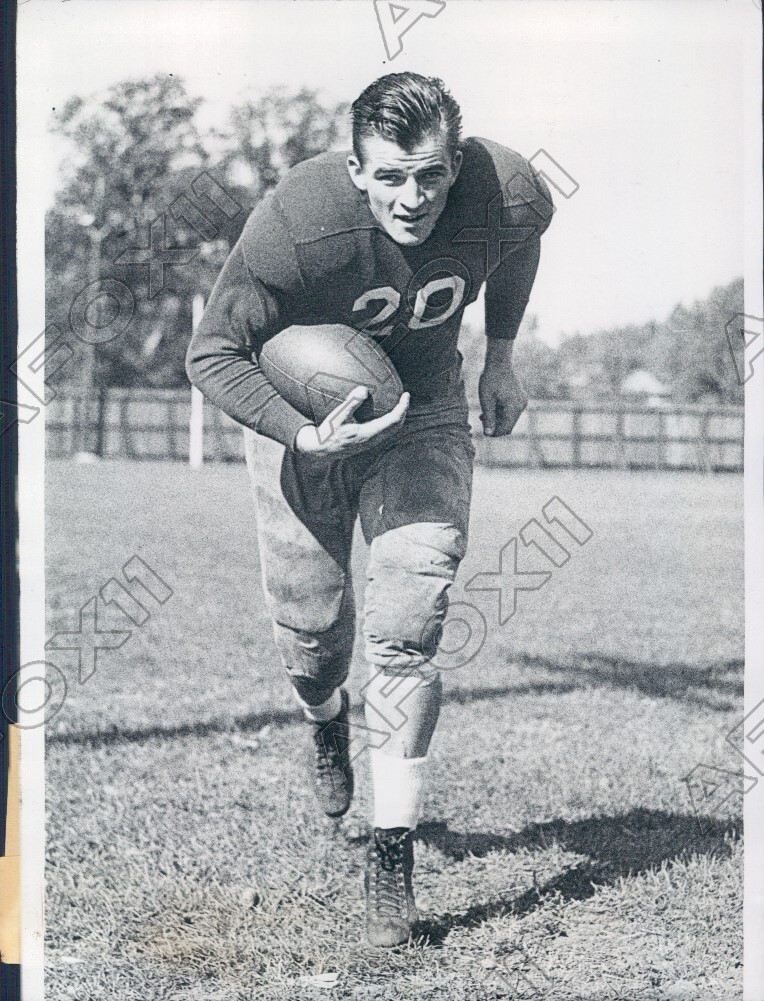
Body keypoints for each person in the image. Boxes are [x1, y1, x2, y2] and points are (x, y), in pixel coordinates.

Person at [186, 71, 553, 948]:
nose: (413, 198)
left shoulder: (503, 191)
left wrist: (501, 353)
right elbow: (212, 352)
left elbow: (521, 240)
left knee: (410, 622)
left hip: (425, 408)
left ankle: (392, 850)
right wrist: (300, 432)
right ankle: (324, 719)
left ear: (454, 163)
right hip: (308, 417)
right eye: (390, 176)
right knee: (313, 637)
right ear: (355, 169)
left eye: (430, 175)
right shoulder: (298, 219)